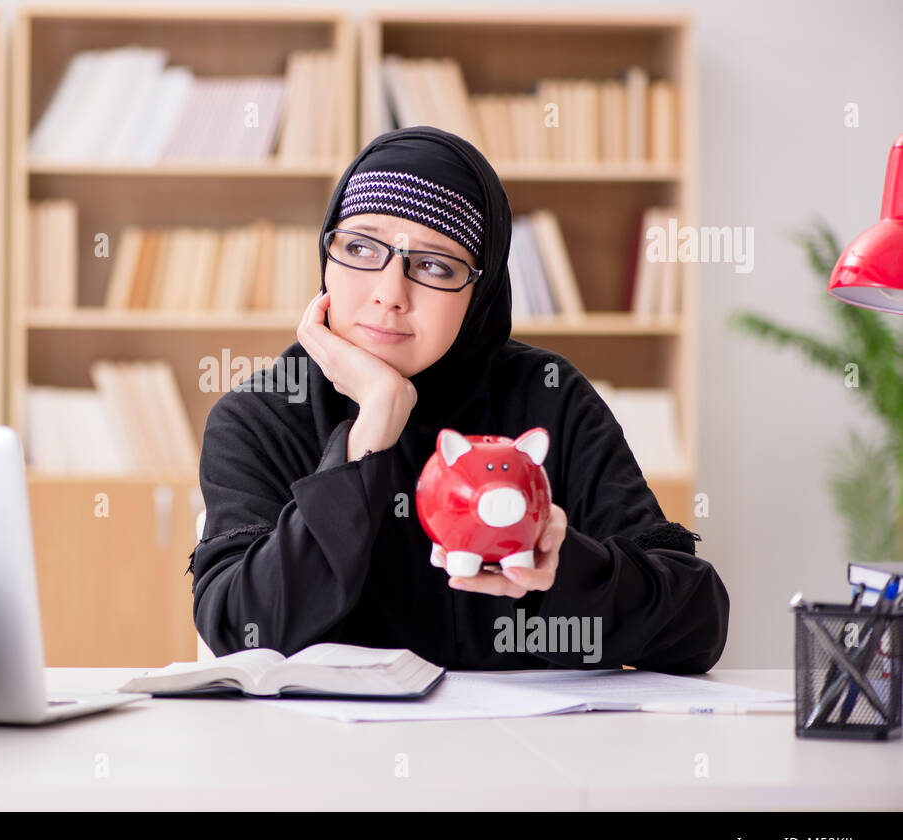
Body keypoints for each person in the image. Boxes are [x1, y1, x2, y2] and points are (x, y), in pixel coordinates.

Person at [186, 125, 729, 672]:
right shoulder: (260, 417)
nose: (389, 294)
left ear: (480, 291)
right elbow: (244, 632)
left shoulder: (549, 398)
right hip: (335, 756)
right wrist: (369, 433)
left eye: (434, 266)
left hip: (527, 753)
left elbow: (697, 626)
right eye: (359, 248)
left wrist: (564, 567)